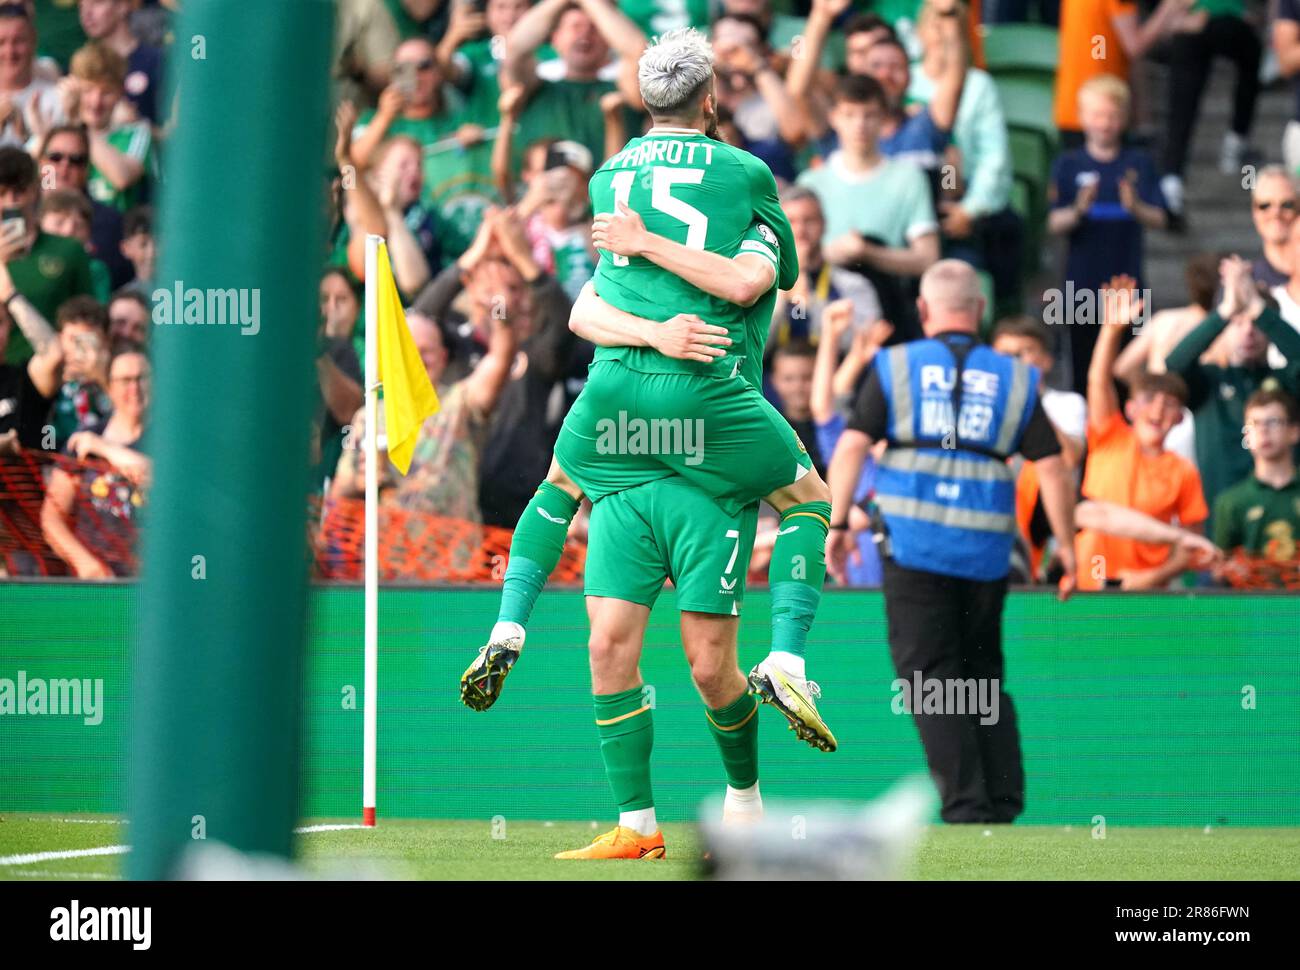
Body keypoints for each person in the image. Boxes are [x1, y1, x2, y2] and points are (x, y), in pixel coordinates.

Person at [462, 29, 839, 759]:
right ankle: (789, 658)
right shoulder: (748, 178)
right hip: (705, 395)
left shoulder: (610, 177)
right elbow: (747, 281)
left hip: (613, 391)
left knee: (559, 486)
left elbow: (582, 312)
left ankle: (510, 622)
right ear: (711, 97)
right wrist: (669, 320)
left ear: (641, 98)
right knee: (810, 501)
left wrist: (640, 265)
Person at [826, 259, 1078, 823]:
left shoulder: (895, 366)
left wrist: (839, 525)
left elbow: (849, 449)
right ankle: (1003, 802)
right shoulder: (1016, 376)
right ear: (980, 311)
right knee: (983, 674)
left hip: (914, 549)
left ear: (922, 310)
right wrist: (1068, 549)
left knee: (929, 679)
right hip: (987, 553)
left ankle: (968, 808)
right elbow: (1054, 468)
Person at [1075, 275, 1208, 590]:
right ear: (1131, 408)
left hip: (1149, 593)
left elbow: (1191, 544)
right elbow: (1098, 381)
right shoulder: (1109, 437)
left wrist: (1149, 579)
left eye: (1170, 404)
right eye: (1149, 401)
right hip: (1090, 583)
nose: (1158, 411)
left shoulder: (1183, 471)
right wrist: (1110, 331)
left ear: (1179, 418)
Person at [1048, 73, 1167, 394]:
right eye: (1098, 115)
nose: (1105, 123)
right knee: (1082, 374)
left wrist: (1135, 206)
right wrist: (1077, 210)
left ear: (1125, 118)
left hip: (1129, 288)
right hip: (1081, 288)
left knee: (1129, 373)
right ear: (1083, 116)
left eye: (1113, 115)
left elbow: (1161, 217)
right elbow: (1053, 223)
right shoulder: (1068, 164)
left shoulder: (1138, 163)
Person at [1166, 255, 1300, 517]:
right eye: (1237, 323)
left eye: (1256, 323)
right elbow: (1175, 365)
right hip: (1219, 519)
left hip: (1286, 521)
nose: (1248, 332)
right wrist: (1225, 310)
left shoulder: (1287, 381)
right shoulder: (1209, 381)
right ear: (1224, 328)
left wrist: (1258, 309)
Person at [796, 75, 940, 284]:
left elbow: (928, 258)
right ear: (834, 118)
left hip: (890, 302)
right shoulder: (810, 183)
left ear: (883, 118)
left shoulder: (909, 178)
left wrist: (868, 253)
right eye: (849, 115)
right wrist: (829, 255)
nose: (860, 125)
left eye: (869, 115)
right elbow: (793, 258)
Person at [40, 343, 150, 578]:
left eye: (142, 378)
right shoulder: (82, 441)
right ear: (109, 387)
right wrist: (87, 564)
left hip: (151, 584)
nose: (135, 388)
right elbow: (52, 518)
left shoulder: (170, 441)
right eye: (125, 380)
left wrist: (103, 447)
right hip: (96, 585)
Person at [0, 145, 94, 364]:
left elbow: (87, 318)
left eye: (19, 191)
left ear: (35, 190)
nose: (10, 202)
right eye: (1, 193)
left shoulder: (68, 250)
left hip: (50, 372)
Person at [1213, 389, 1300, 566]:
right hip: (1250, 592)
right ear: (1246, 435)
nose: (1263, 430)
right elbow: (1219, 569)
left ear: (1294, 431)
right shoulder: (1230, 502)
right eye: (1254, 424)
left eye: (1273, 422)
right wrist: (1228, 569)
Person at [1248, 166, 1298, 290]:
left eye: (1286, 204)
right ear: (1254, 211)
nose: (1275, 213)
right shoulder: (1246, 284)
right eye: (1265, 205)